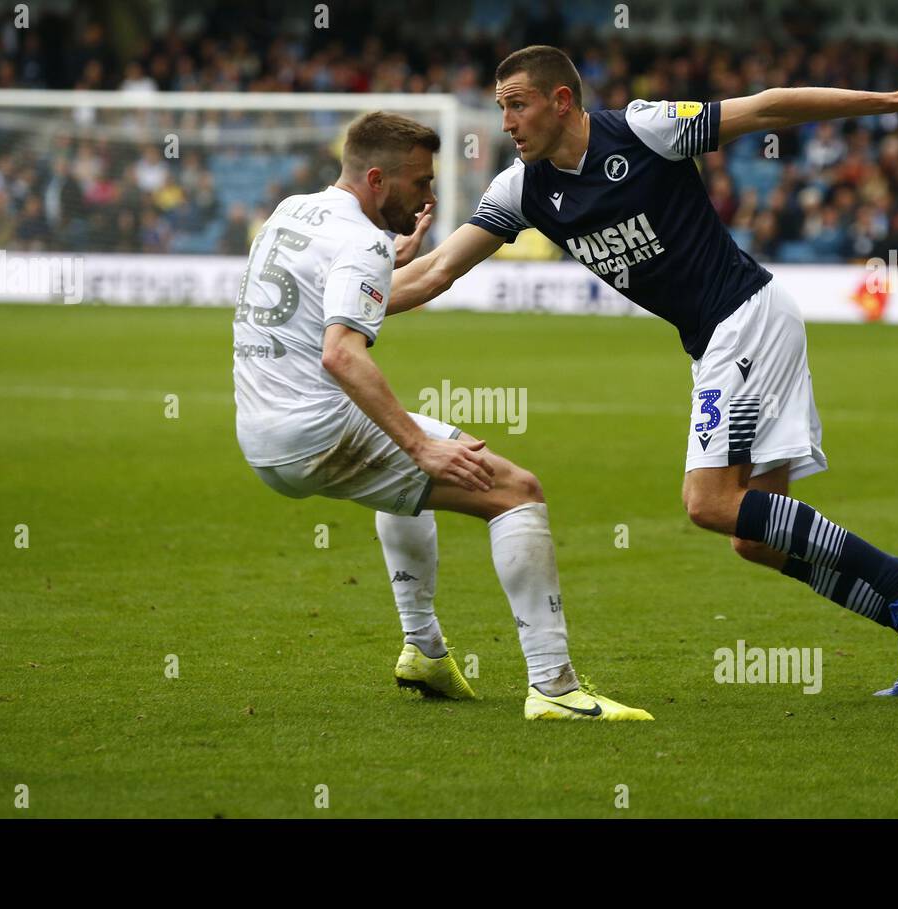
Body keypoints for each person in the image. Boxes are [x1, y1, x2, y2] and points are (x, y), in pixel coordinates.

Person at [390, 46, 898, 696]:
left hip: (745, 317)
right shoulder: (523, 188)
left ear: (562, 101)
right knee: (755, 532)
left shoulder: (643, 130)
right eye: (502, 107)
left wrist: (890, 101)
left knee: (709, 503)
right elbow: (437, 270)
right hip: (721, 338)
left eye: (518, 105)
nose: (506, 121)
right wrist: (350, 303)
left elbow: (768, 107)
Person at [234, 111, 651, 720]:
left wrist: (386, 268)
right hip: (315, 430)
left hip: (261, 432)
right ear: (378, 179)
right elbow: (341, 355)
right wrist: (419, 446)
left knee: (401, 480)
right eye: (423, 182)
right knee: (516, 491)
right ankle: (555, 690)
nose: (430, 195)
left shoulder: (293, 211)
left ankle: (424, 649)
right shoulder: (360, 243)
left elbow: (342, 301)